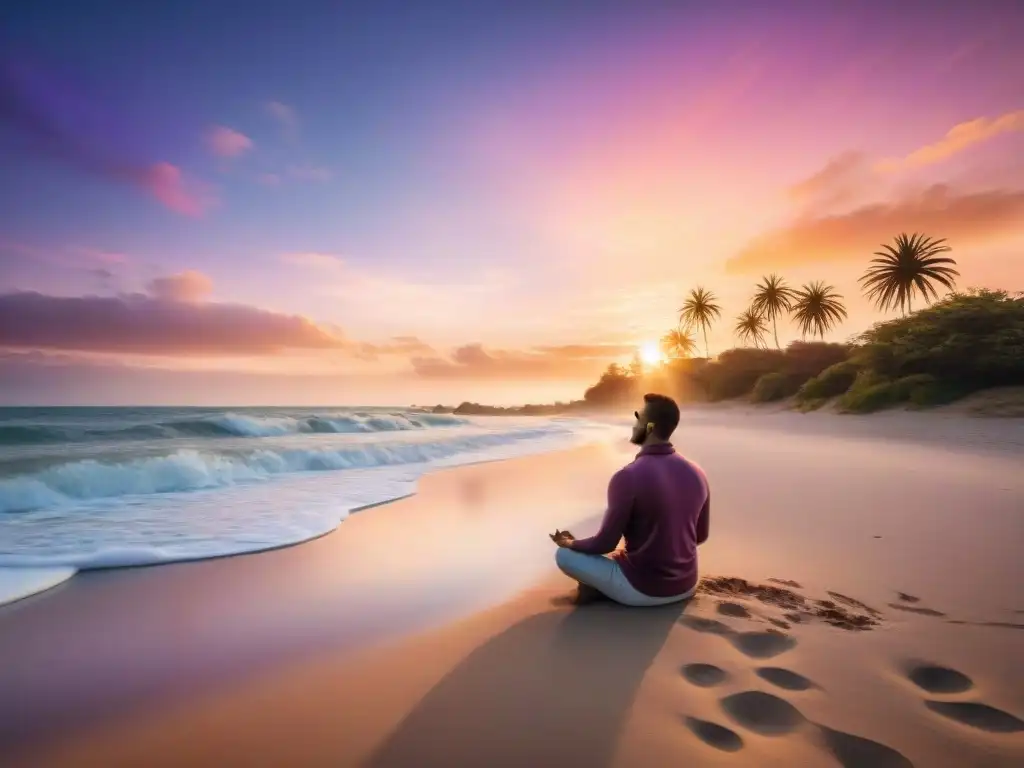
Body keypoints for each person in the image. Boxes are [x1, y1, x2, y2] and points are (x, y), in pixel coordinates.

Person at [550, 393, 709, 606]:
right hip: (687, 585)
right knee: (621, 553)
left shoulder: (627, 476)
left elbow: (604, 544)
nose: (634, 425)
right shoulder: (697, 472)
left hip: (645, 591)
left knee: (564, 555)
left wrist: (570, 543)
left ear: (649, 427)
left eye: (638, 418)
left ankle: (597, 589)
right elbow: (700, 536)